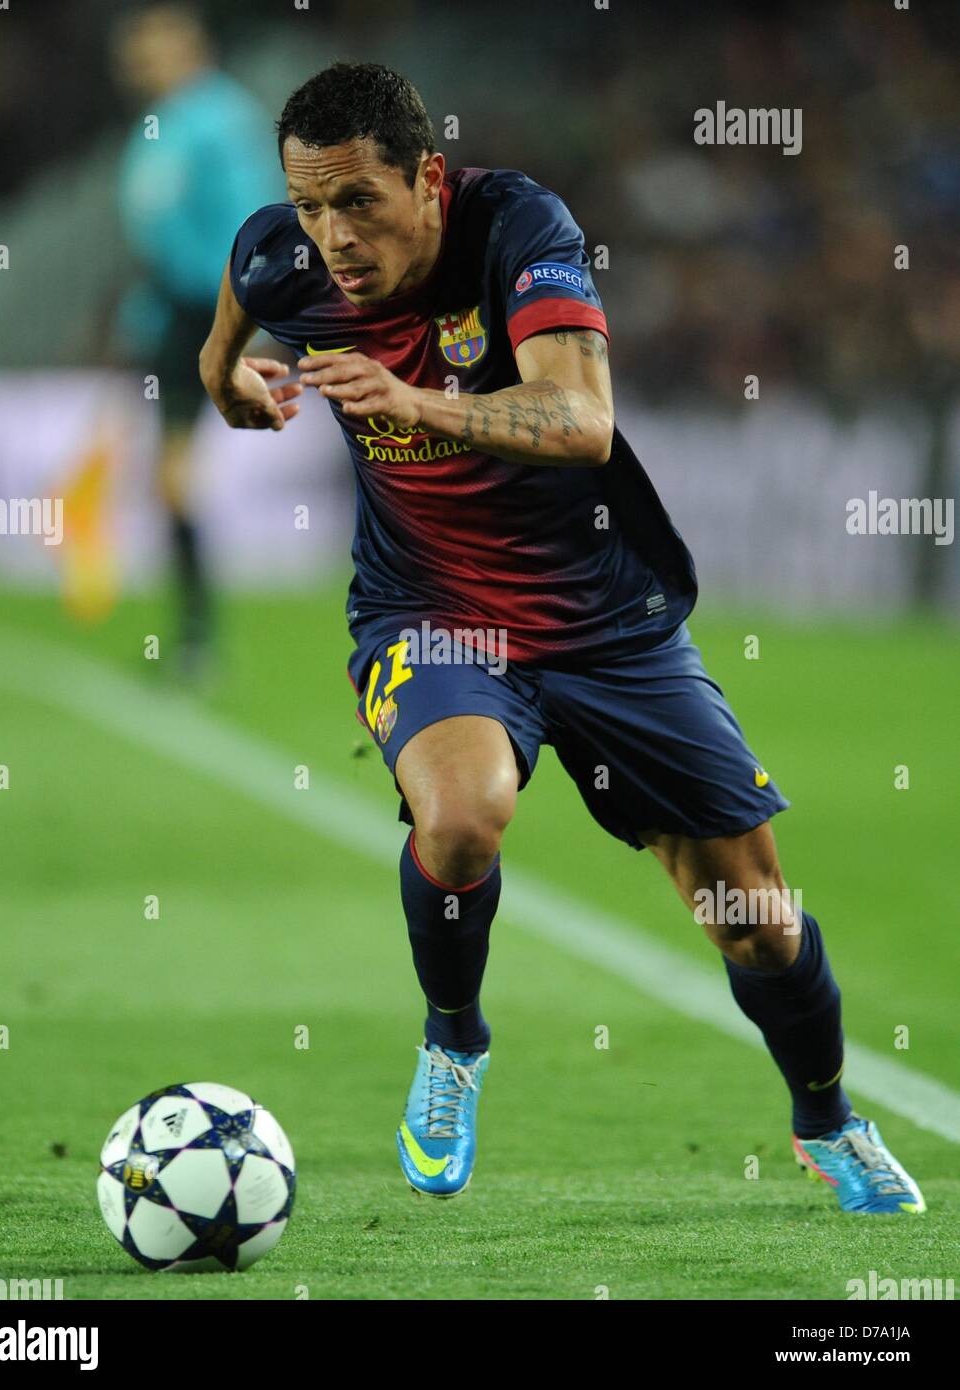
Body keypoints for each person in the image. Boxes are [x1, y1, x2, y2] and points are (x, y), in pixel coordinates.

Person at [199, 62, 924, 1214]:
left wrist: (415, 399)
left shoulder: (520, 229)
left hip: (605, 627)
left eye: (357, 203)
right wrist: (238, 388)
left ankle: (825, 1116)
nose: (329, 235)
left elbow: (582, 423)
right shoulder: (276, 255)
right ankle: (453, 1042)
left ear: (427, 178)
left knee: (756, 923)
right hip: (427, 612)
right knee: (462, 809)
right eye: (309, 205)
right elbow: (225, 346)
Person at [111, 3, 277, 676]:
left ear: (187, 46)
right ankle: (192, 637)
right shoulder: (164, 122)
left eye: (151, 48)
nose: (138, 63)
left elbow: (250, 224)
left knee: (176, 476)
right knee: (167, 478)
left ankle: (196, 640)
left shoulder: (218, 118)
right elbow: (154, 227)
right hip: (169, 315)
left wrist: (244, 325)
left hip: (208, 315)